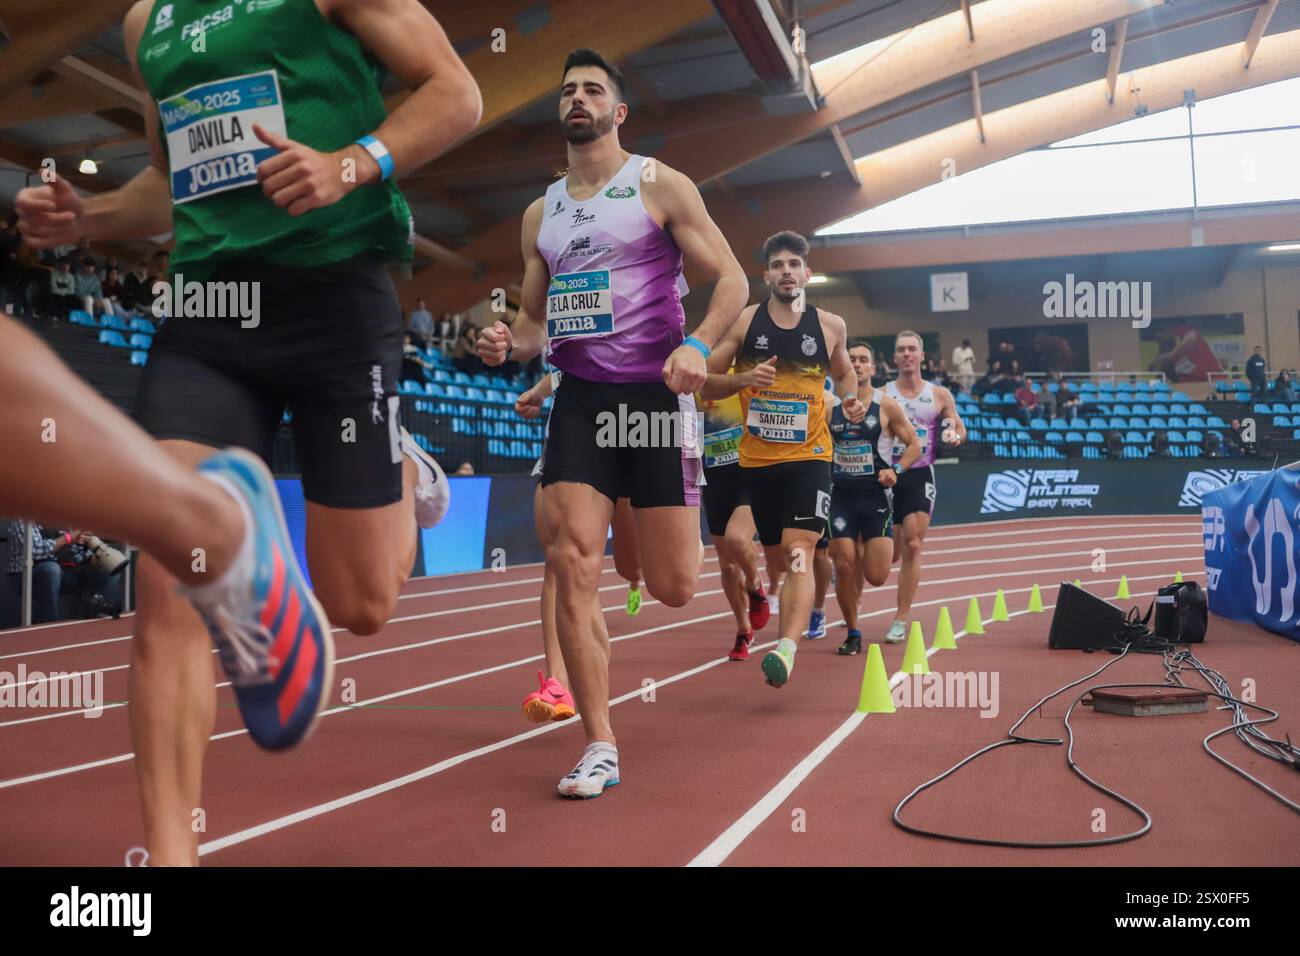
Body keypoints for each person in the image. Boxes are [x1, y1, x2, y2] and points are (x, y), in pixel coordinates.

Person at [15, 0, 480, 865]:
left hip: (338, 299)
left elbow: (456, 91)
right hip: (209, 310)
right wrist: (91, 218)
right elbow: (169, 185)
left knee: (362, 604)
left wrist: (352, 163)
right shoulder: (145, 22)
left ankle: (405, 468)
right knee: (171, 580)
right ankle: (169, 855)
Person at [477, 48, 746, 798]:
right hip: (583, 403)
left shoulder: (657, 184)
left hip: (656, 400)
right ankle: (599, 742)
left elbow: (732, 277)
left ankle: (639, 520)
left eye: (593, 89)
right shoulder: (542, 212)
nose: (578, 98)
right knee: (569, 561)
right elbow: (534, 323)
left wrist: (695, 345)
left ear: (618, 111)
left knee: (672, 586)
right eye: (567, 89)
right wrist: (510, 342)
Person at [702, 230, 860, 689]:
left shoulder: (830, 325)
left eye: (794, 263)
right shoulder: (745, 322)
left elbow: (846, 373)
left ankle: (785, 648)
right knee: (778, 560)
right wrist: (745, 378)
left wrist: (851, 400)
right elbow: (705, 382)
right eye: (778, 265)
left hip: (811, 456)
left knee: (799, 552)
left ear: (807, 273)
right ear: (766, 274)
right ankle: (772, 607)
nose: (786, 271)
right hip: (758, 463)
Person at [514, 371, 644, 724]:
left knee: (638, 568)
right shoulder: (572, 326)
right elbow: (563, 366)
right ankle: (558, 683)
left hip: (632, 430)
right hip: (571, 440)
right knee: (560, 561)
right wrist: (538, 392)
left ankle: (664, 555)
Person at [825, 345, 919, 655]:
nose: (858, 365)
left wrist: (896, 471)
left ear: (873, 369)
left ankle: (863, 547)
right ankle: (853, 631)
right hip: (840, 498)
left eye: (864, 360)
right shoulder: (830, 408)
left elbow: (914, 445)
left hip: (875, 498)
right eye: (851, 360)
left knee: (877, 576)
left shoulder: (886, 406)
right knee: (843, 561)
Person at [882, 331, 966, 643]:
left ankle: (900, 617)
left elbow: (958, 427)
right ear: (894, 358)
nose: (906, 354)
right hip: (886, 475)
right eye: (901, 350)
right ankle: (853, 584)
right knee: (885, 557)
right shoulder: (883, 393)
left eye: (912, 349)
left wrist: (955, 434)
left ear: (921, 356)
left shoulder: (940, 394)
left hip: (918, 475)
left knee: (913, 545)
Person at [698, 365, 775, 662]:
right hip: (715, 479)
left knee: (737, 540)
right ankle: (744, 630)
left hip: (750, 474)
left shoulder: (746, 372)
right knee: (727, 564)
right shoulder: (695, 378)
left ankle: (755, 584)